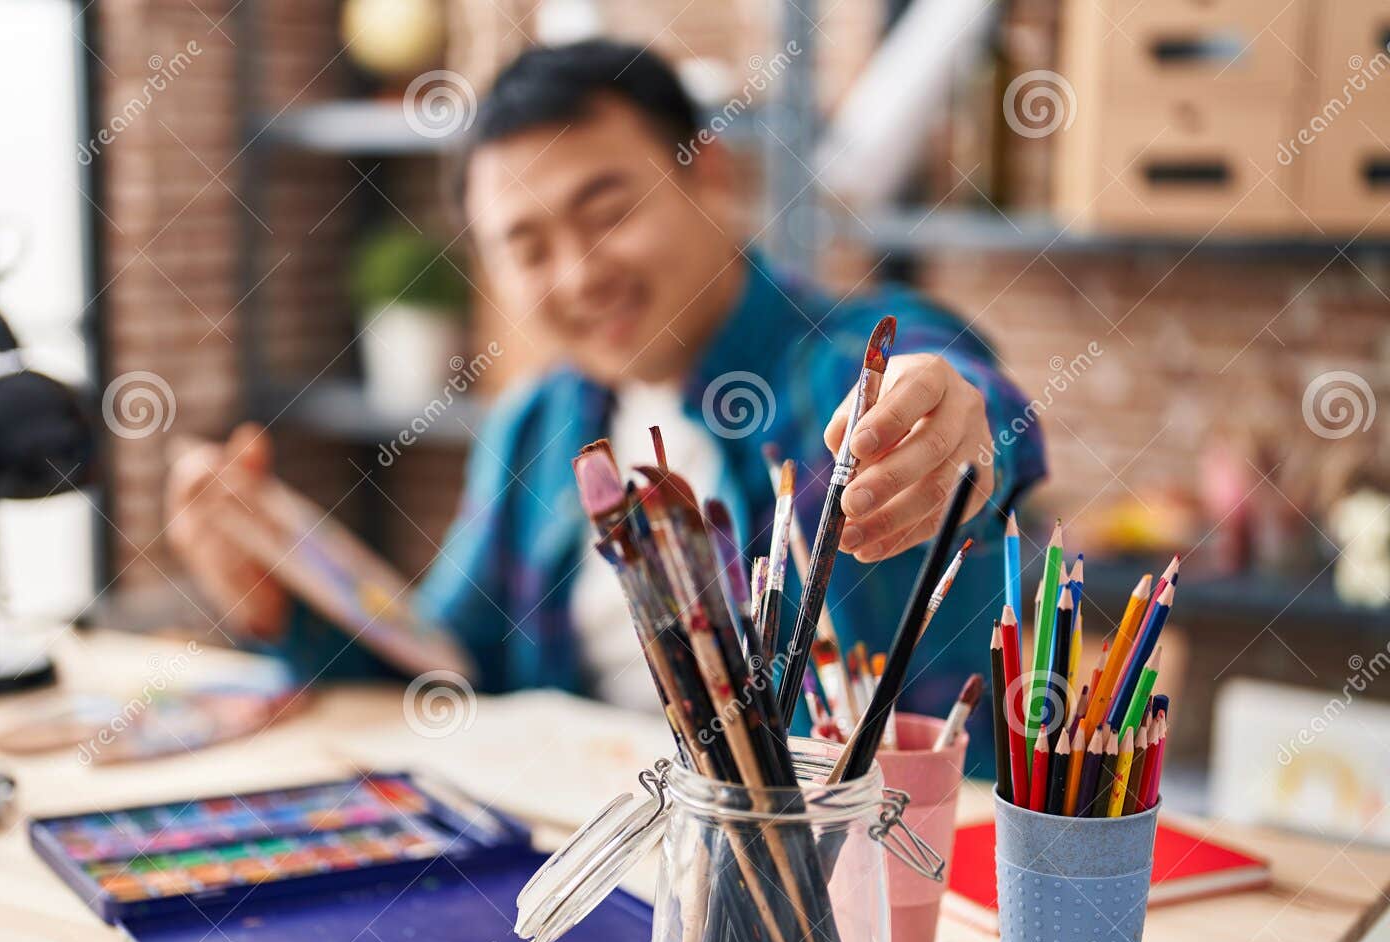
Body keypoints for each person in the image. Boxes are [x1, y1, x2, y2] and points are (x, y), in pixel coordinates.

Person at [167, 39, 1045, 770]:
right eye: (529, 246)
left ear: (710, 176)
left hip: (874, 885)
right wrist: (275, 598)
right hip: (599, 881)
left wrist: (954, 428)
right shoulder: (534, 428)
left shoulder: (835, 363)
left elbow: (953, 382)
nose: (581, 274)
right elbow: (447, 675)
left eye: (607, 210)